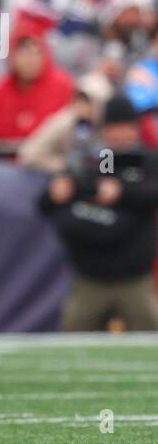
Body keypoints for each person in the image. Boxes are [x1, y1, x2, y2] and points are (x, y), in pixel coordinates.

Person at [40, 96, 158, 331]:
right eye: (116, 126)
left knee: (150, 343)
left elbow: (151, 193)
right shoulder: (89, 160)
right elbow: (47, 203)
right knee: (73, 342)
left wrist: (121, 193)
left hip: (134, 278)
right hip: (89, 279)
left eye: (127, 126)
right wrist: (55, 193)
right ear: (105, 129)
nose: (122, 133)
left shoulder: (147, 161)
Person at [0, 25, 75, 142]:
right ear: (12, 57)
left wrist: (22, 129)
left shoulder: (63, 85)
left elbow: (63, 130)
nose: (29, 60)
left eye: (35, 53)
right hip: (1, 156)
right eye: (23, 53)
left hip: (47, 156)